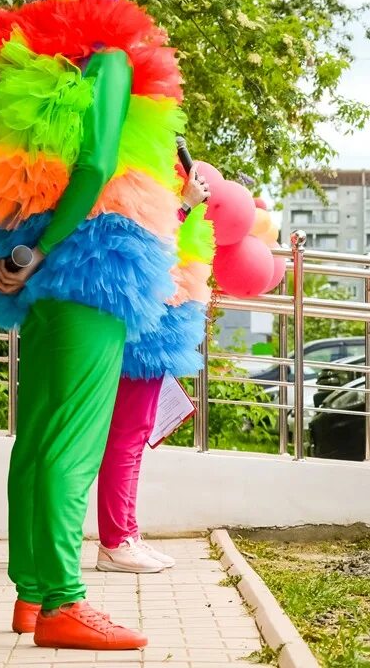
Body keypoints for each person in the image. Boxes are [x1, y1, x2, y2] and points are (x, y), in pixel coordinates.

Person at [0, 0, 180, 649]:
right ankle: (64, 605)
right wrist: (41, 251)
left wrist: (20, 257)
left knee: (39, 437)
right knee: (72, 441)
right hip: (94, 265)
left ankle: (34, 594)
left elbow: (11, 178)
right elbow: (98, 167)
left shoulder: (40, 68)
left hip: (42, 272)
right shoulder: (110, 60)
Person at [97, 166, 215, 573]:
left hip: (154, 327)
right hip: (143, 330)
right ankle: (116, 540)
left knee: (134, 435)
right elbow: (152, 246)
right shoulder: (135, 180)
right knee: (126, 438)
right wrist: (184, 204)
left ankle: (126, 534)